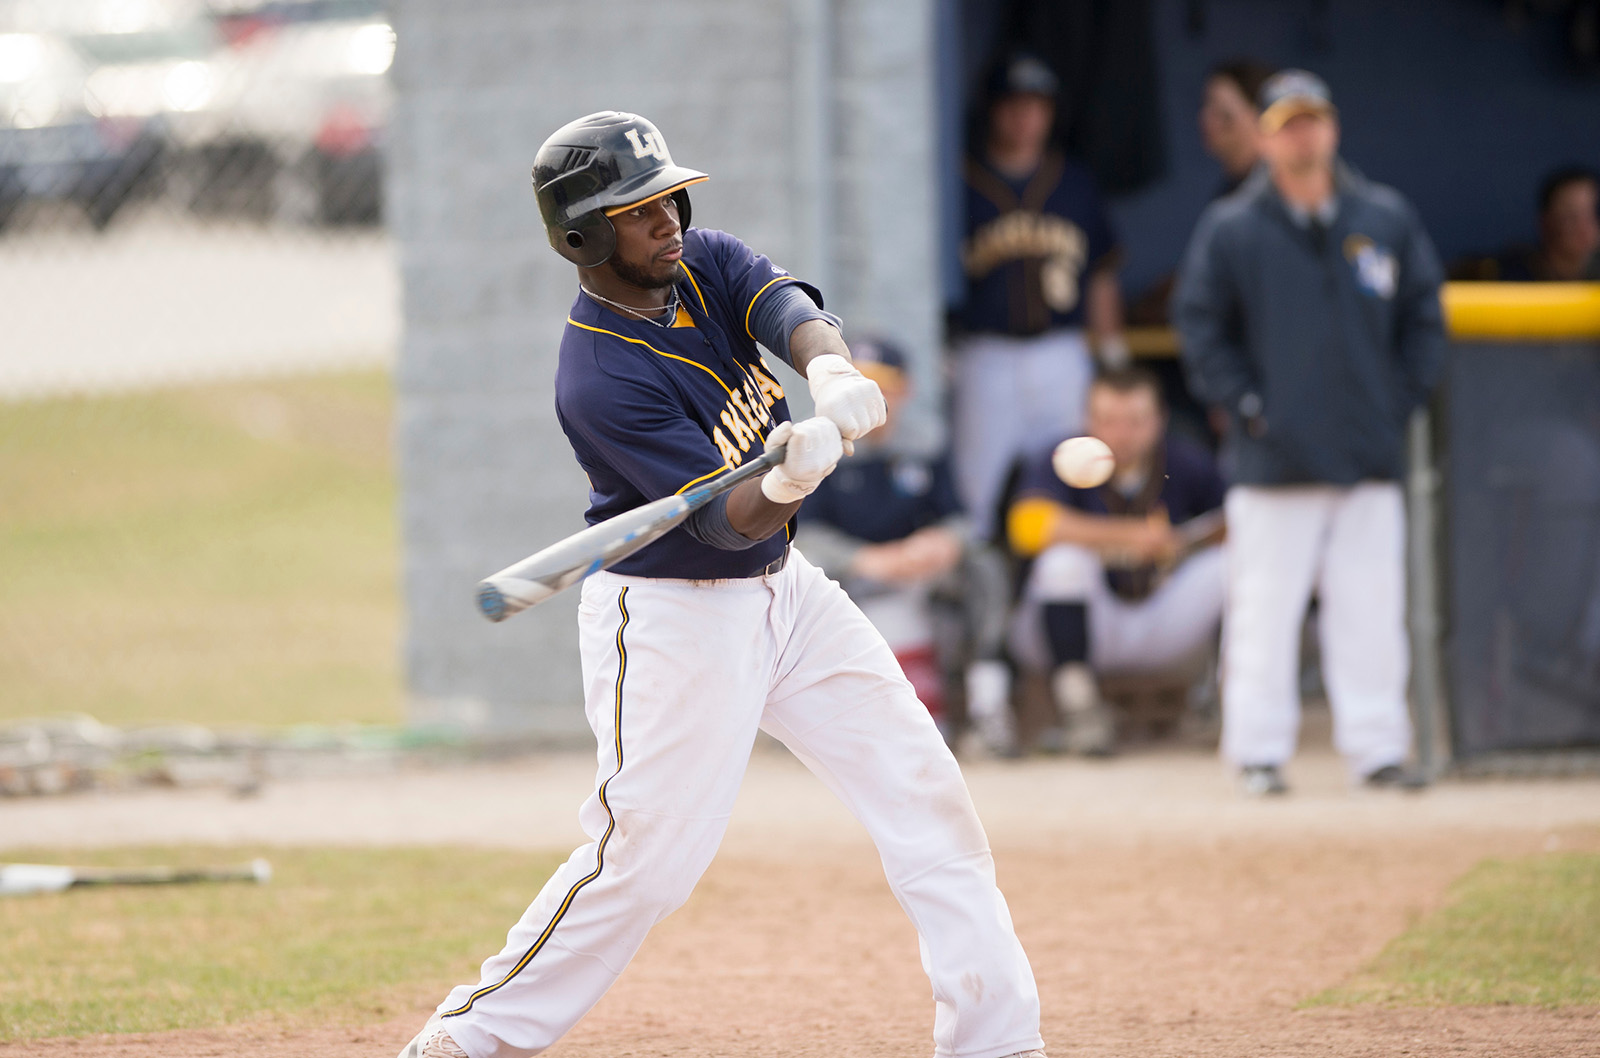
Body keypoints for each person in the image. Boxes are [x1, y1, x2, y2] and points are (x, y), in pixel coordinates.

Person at [398, 112, 1046, 1058]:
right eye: (636, 210)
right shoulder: (597, 376)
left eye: (668, 198)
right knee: (645, 869)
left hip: (790, 596)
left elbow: (779, 298)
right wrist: (784, 481)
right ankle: (466, 1040)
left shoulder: (699, 260)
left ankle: (997, 1042)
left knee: (923, 790)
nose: (667, 221)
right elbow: (715, 522)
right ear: (583, 235)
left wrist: (829, 368)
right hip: (672, 620)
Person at [1173, 70, 1446, 797]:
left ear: (1333, 127)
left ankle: (1378, 748)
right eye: (1288, 122)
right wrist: (1247, 403)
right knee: (1264, 608)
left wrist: (1399, 404)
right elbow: (1199, 329)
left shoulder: (1383, 217)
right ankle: (1258, 752)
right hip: (1274, 456)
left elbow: (1426, 318)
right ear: (1263, 136)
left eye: (1314, 119)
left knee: (1372, 608)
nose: (1303, 134)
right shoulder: (1232, 226)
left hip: (1367, 450)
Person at [795, 336, 1017, 754]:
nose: (868, 395)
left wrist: (943, 541)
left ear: (904, 390)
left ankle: (989, 706)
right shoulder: (817, 444)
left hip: (920, 577)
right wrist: (865, 559)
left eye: (881, 384)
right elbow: (800, 534)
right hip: (850, 586)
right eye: (858, 382)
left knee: (984, 566)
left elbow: (962, 519)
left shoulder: (924, 444)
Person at [1004, 367, 1227, 755]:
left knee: (1236, 566)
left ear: (1159, 421)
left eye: (1136, 422)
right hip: (1072, 630)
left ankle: (1220, 698)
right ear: (1087, 421)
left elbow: (1234, 522)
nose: (1122, 435)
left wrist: (1183, 545)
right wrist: (1130, 536)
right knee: (1063, 561)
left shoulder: (1185, 460)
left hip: (1159, 623)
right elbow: (1026, 526)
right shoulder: (1060, 457)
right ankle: (1081, 712)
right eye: (1108, 420)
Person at [953, 52, 1125, 540]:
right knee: (977, 488)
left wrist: (1111, 356)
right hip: (986, 353)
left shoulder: (1075, 181)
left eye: (1036, 106)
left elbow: (1102, 274)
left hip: (1061, 352)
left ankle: (1059, 593)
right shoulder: (962, 181)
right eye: (1013, 105)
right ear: (991, 109)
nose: (1025, 118)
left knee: (1076, 474)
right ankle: (982, 598)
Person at [1459, 166, 1600, 282]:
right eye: (1570, 215)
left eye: (1592, 213)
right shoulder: (1511, 273)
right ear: (1545, 221)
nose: (1584, 226)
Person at [1198, 59, 1276, 199]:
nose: (1207, 121)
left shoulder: (1287, 188)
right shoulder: (1228, 197)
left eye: (1224, 114)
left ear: (1260, 115)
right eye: (1207, 108)